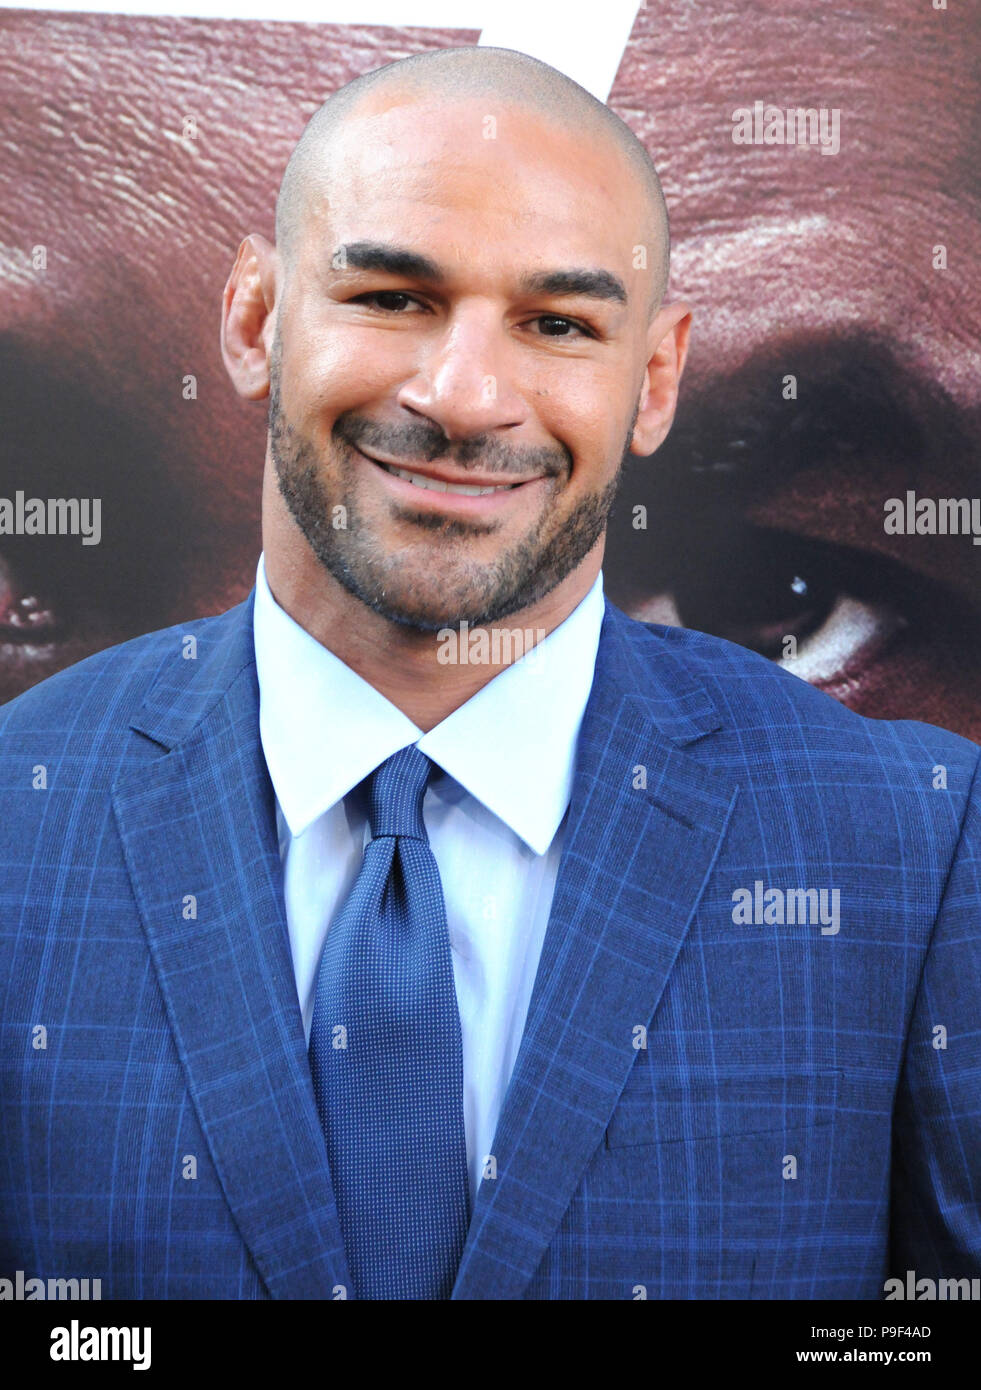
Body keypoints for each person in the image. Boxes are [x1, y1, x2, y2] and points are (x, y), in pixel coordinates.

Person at [0, 45, 978, 1302]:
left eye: (559, 323)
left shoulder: (918, 838)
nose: (464, 396)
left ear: (656, 377)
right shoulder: (20, 813)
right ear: (253, 320)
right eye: (393, 297)